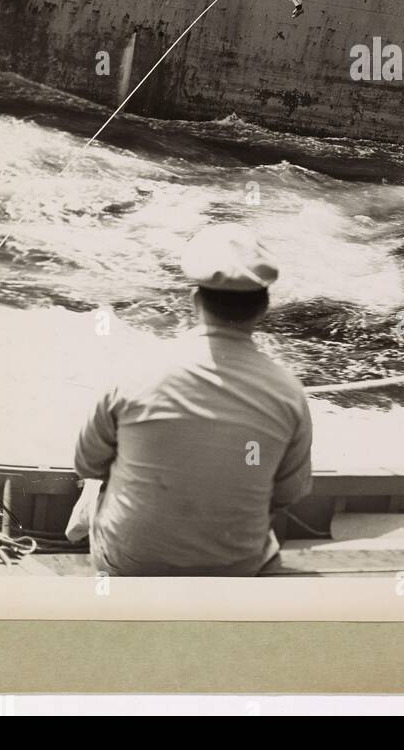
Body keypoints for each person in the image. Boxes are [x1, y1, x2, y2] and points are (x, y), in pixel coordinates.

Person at [73, 226, 313, 577]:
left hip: (132, 564)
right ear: (264, 308)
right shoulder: (289, 391)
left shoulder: (133, 371)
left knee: (105, 474)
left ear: (195, 302)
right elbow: (289, 492)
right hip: (235, 567)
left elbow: (86, 464)